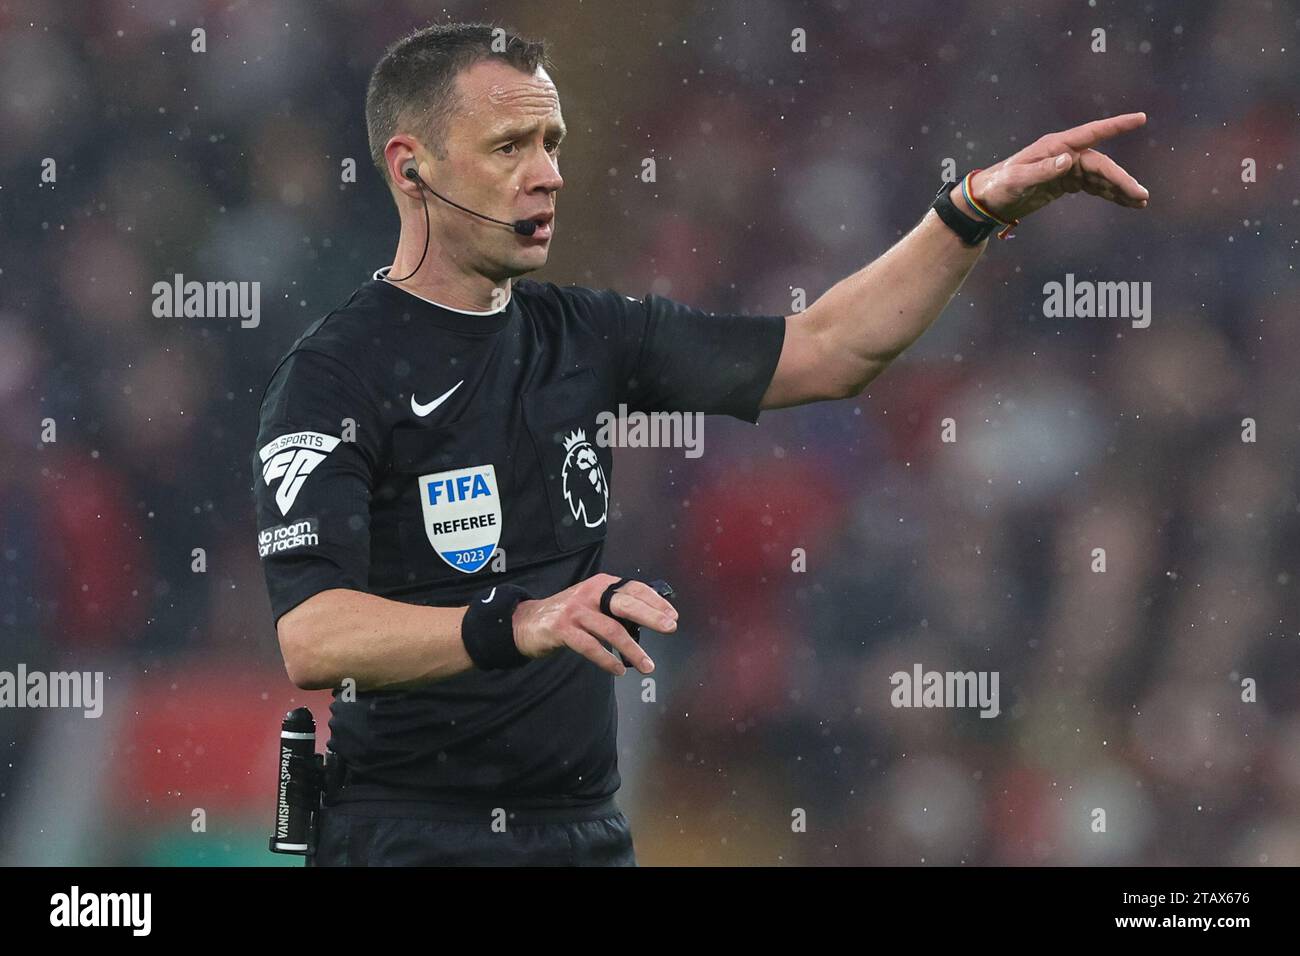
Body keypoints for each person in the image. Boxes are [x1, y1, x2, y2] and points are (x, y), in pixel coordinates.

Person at [251, 21, 1148, 866]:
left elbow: (830, 350)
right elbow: (315, 636)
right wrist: (518, 623)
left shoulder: (585, 334)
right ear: (412, 169)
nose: (549, 174)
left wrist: (970, 210)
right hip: (414, 837)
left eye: (552, 143)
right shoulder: (335, 374)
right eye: (508, 148)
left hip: (581, 832)